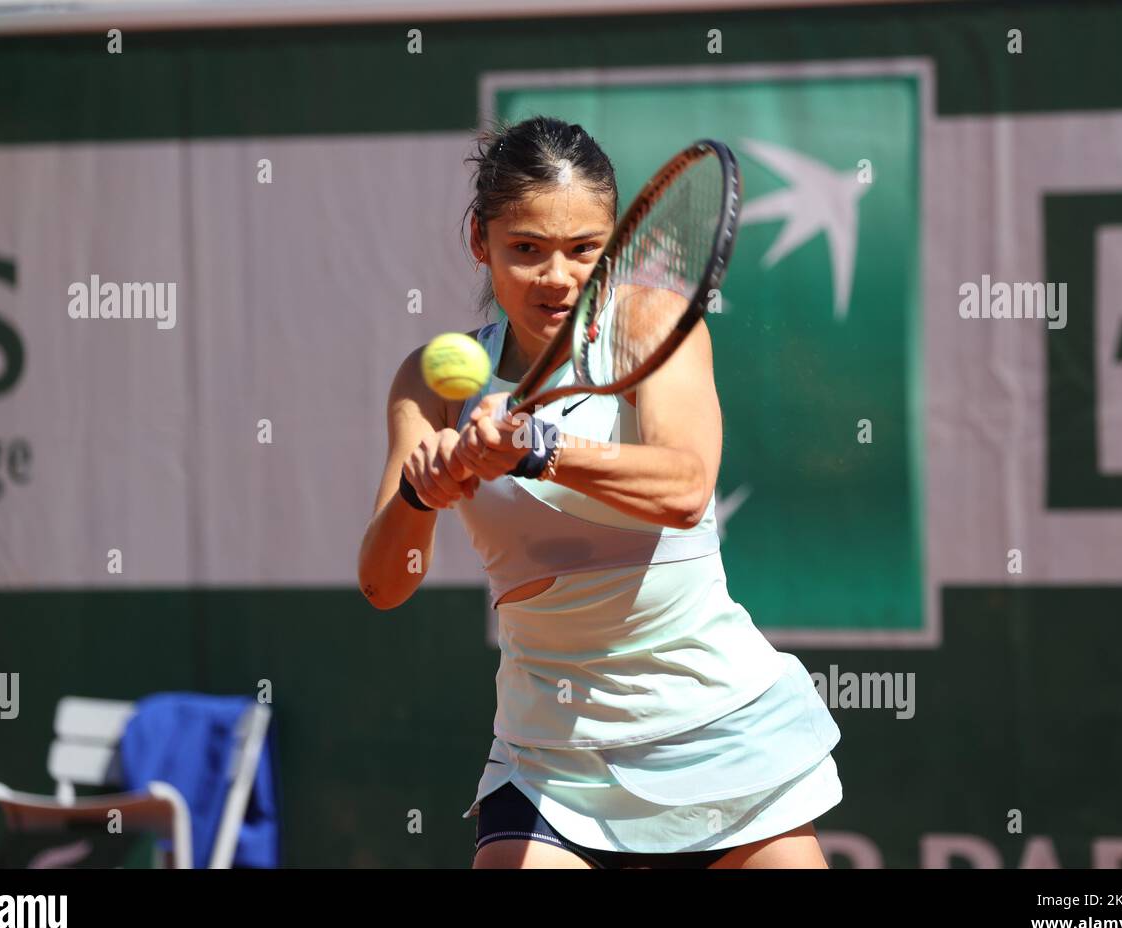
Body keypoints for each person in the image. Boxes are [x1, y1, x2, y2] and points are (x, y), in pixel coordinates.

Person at [358, 115, 842, 868]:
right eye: (526, 250)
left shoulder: (652, 323)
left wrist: (540, 448)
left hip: (721, 726)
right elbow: (385, 587)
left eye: (584, 249)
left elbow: (684, 487)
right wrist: (423, 496)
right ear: (479, 242)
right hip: (551, 756)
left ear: (614, 244)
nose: (558, 277)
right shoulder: (432, 379)